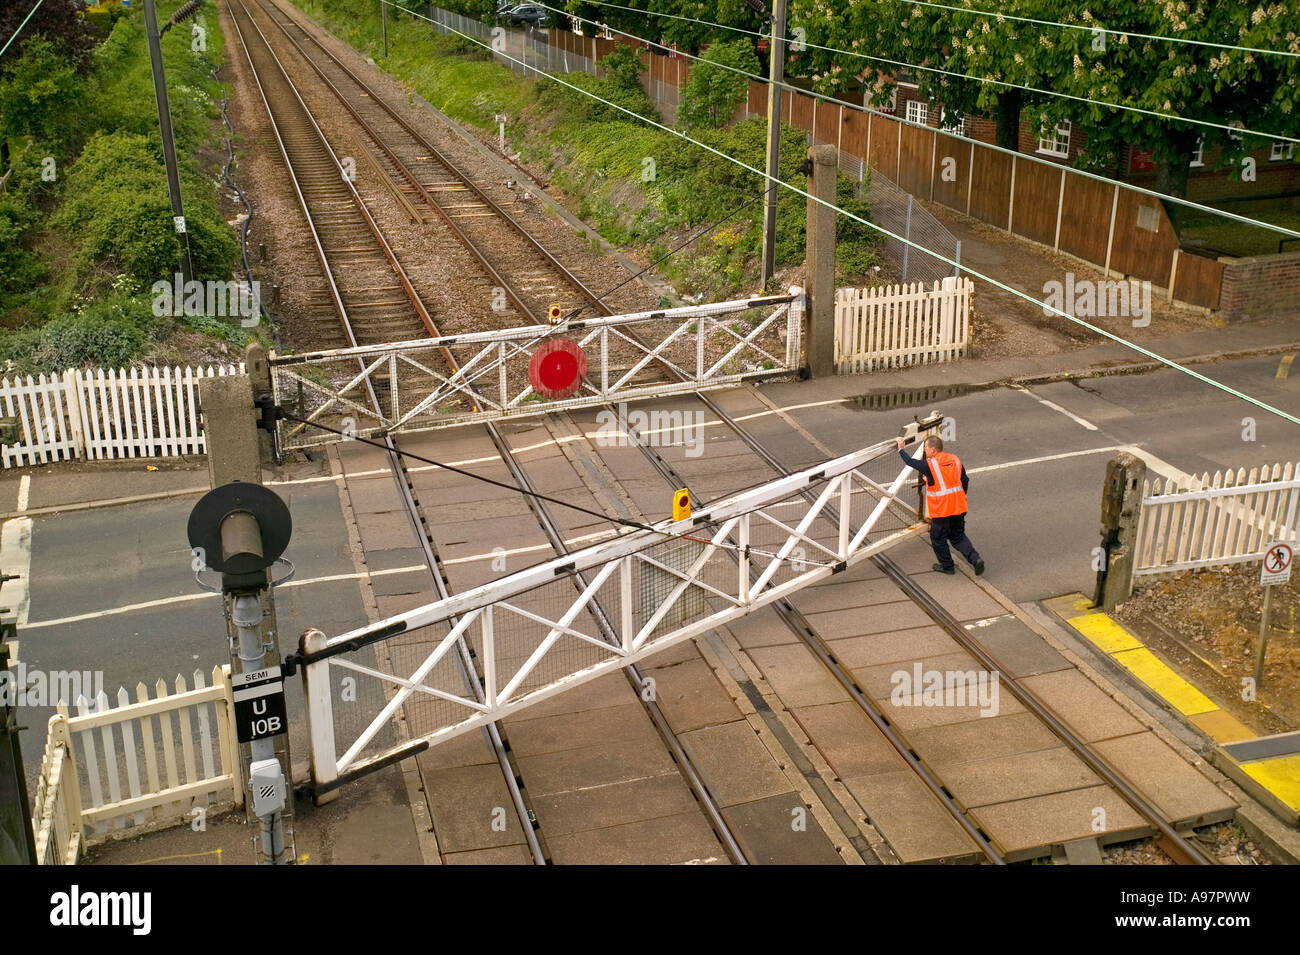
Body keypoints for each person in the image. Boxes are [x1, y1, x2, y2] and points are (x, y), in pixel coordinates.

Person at [895, 433, 985, 576]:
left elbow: (911, 462)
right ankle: (975, 559)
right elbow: (965, 480)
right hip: (959, 507)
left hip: (942, 510)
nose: (925, 451)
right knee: (958, 536)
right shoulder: (955, 459)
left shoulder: (930, 465)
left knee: (938, 538)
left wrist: (901, 449)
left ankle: (947, 566)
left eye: (926, 448)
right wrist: (961, 496)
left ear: (933, 450)